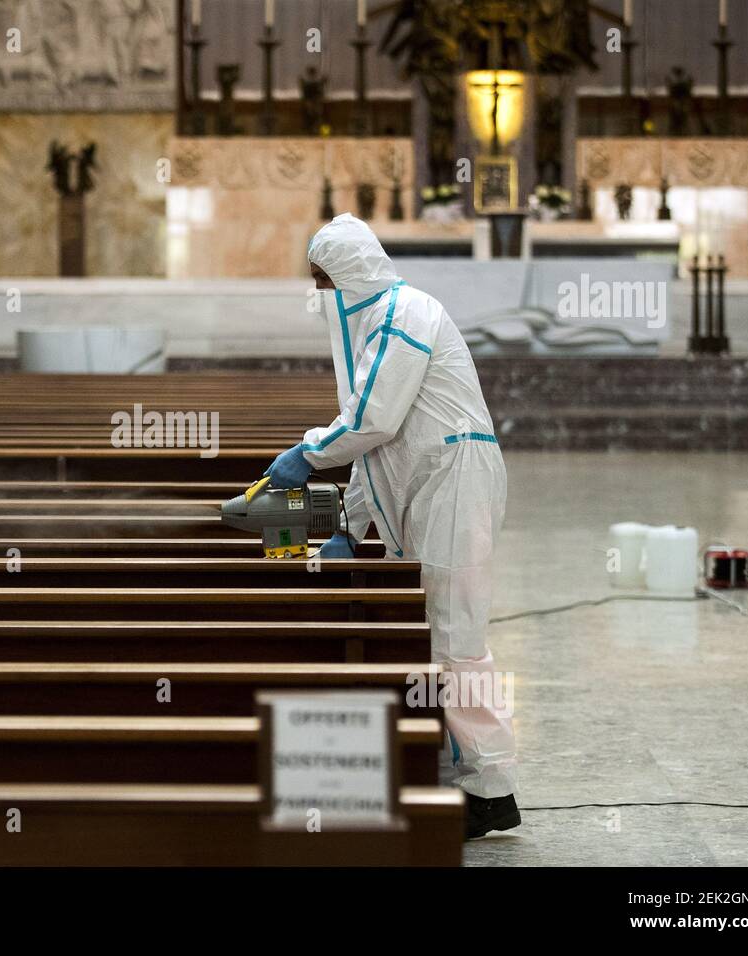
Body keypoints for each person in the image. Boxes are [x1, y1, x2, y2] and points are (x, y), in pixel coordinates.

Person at [264, 213, 519, 839]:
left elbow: (372, 421)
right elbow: (379, 442)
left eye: (324, 281)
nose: (321, 295)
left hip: (456, 478)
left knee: (457, 634)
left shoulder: (407, 314)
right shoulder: (378, 323)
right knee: (440, 631)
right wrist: (352, 521)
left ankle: (492, 789)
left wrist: (307, 454)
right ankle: (467, 775)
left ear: (348, 275)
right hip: (432, 483)